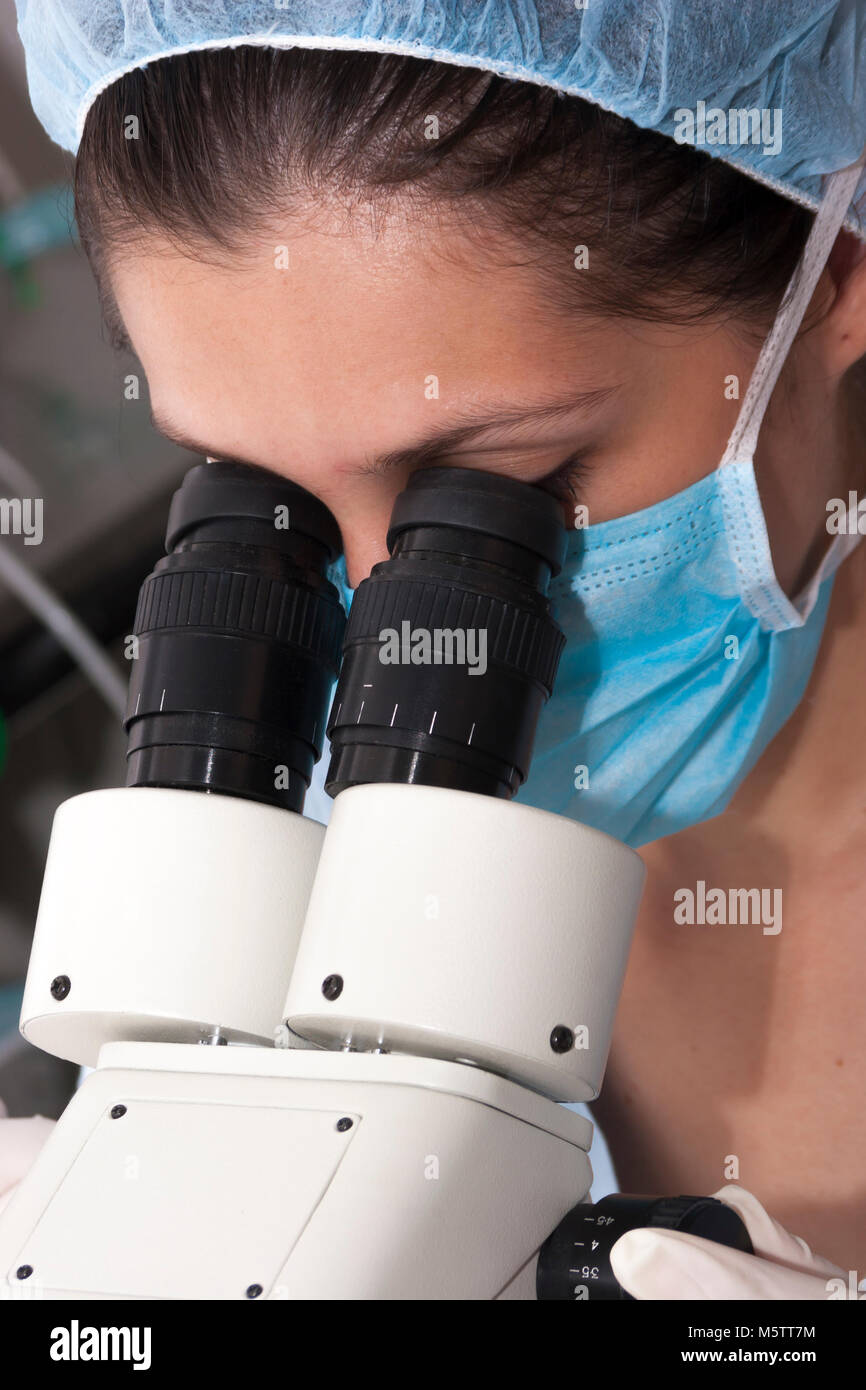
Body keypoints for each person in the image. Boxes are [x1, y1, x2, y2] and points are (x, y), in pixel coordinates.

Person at [5, 2, 866, 1296]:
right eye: (251, 490)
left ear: (833, 283)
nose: (373, 626)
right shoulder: (272, 878)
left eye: (497, 486)